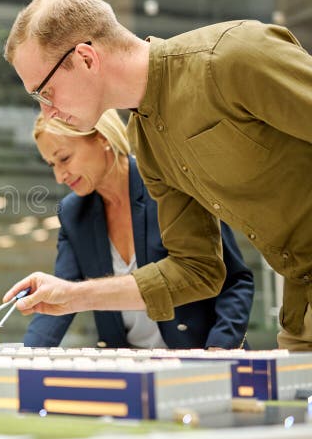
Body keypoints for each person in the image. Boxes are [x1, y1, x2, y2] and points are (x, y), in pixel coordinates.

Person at [1, 0, 312, 351]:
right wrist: (74, 296)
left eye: (45, 92)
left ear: (86, 58)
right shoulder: (148, 144)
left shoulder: (231, 57)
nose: (47, 111)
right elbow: (197, 270)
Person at [24, 110, 254, 349]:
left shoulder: (168, 185)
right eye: (52, 165)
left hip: (205, 359)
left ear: (101, 137)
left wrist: (220, 349)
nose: (59, 176)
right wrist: (20, 363)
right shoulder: (73, 214)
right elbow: (60, 298)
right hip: (133, 370)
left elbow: (236, 281)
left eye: (64, 159)